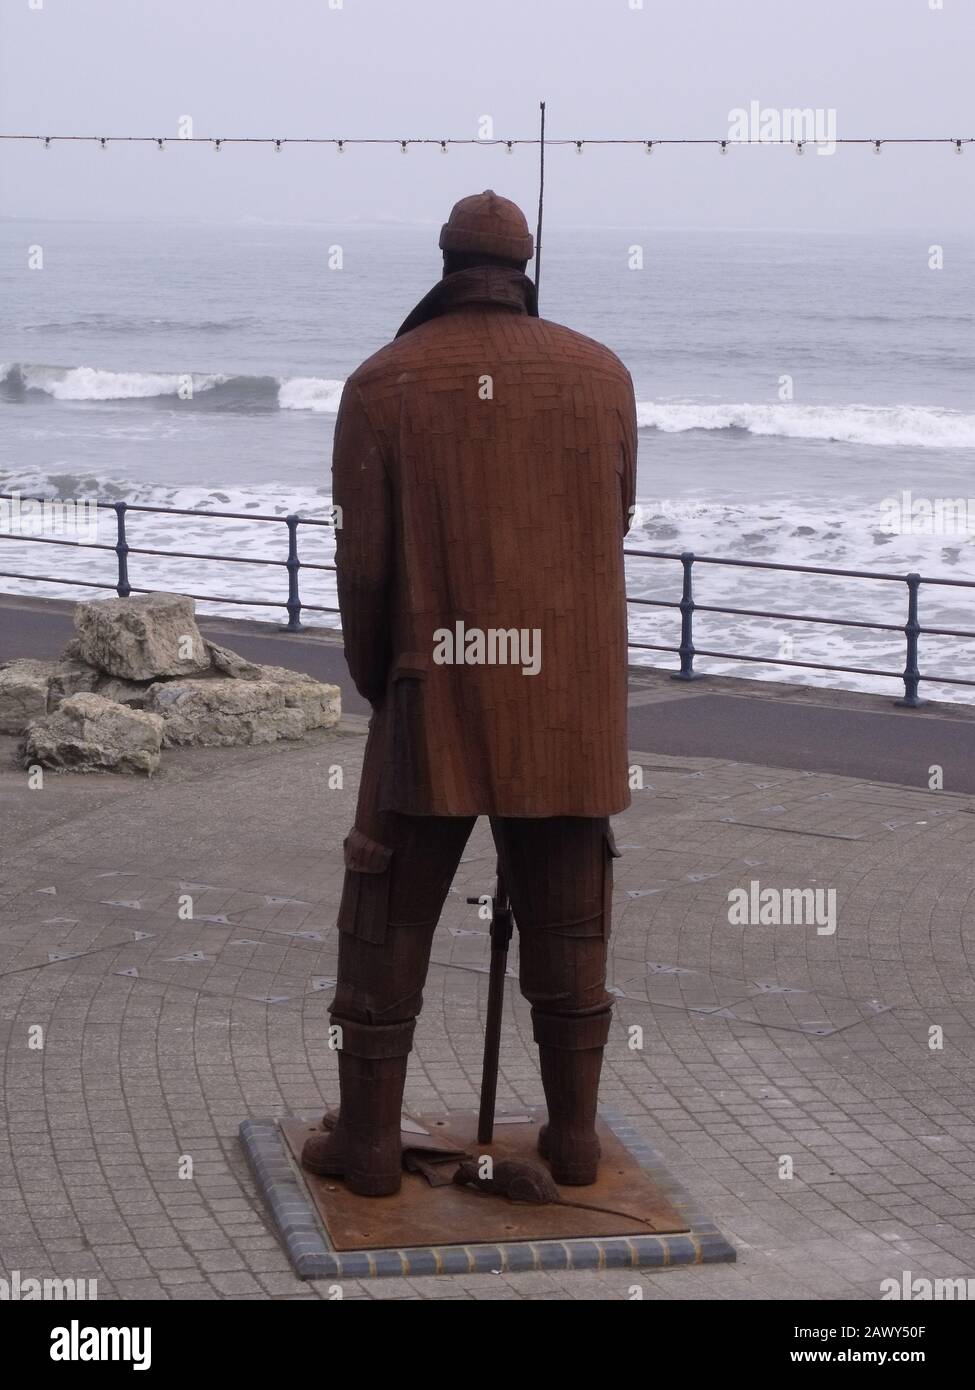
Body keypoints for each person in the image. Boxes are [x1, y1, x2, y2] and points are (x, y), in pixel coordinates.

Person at [302, 190, 638, 1195]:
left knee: (382, 926)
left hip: (430, 700)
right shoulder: (604, 376)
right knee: (572, 929)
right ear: (524, 264)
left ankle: (367, 1147)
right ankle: (571, 1139)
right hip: (570, 715)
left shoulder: (381, 383)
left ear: (445, 259)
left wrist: (384, 686)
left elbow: (362, 574)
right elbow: (608, 525)